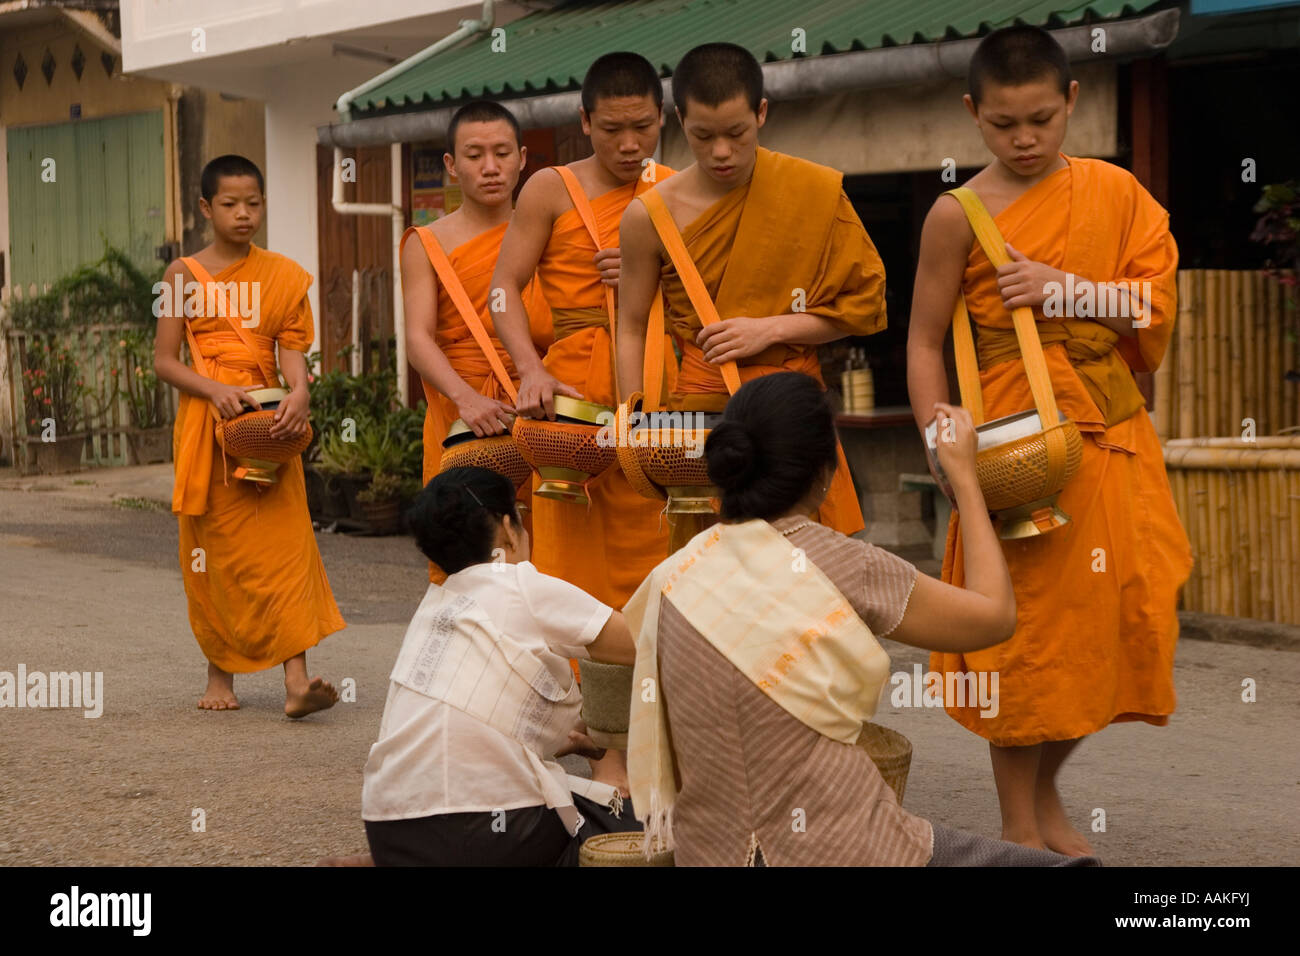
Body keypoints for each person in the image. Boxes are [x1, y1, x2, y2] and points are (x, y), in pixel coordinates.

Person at [905, 25, 1192, 855]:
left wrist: (1068, 289)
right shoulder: (955, 215)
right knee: (1024, 635)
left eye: (1041, 119)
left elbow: (1151, 310)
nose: (1025, 140)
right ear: (973, 114)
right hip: (1014, 445)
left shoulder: (1115, 193)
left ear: (1073, 101)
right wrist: (938, 437)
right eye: (1003, 125)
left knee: (1137, 611)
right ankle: (1019, 824)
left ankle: (1049, 795)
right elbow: (924, 341)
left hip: (1110, 434)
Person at [624, 373, 1096, 866]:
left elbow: (607, 641)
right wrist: (966, 481)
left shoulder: (676, 576)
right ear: (826, 473)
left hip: (708, 855)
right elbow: (995, 616)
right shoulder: (847, 564)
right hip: (845, 848)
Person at [617, 42, 887, 534]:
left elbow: (865, 307)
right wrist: (633, 422)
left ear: (761, 113)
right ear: (680, 120)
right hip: (702, 416)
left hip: (791, 408)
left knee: (812, 572)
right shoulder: (648, 217)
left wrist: (772, 329)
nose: (721, 151)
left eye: (736, 133)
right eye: (703, 136)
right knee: (712, 572)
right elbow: (630, 325)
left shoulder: (811, 190)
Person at [361, 467, 642, 866]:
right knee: (645, 834)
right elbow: (644, 641)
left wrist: (573, 742)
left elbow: (473, 732)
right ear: (509, 528)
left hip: (390, 829)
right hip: (488, 834)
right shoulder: (520, 585)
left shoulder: (434, 609)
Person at [154, 154, 343, 716]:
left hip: (268, 424)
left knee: (287, 547)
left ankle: (297, 682)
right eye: (231, 205)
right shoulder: (180, 276)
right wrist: (211, 389)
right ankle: (221, 675)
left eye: (254, 204)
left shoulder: (283, 273)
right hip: (208, 429)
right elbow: (165, 360)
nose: (244, 214)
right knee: (215, 554)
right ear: (206, 208)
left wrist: (301, 391)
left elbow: (291, 349)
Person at [489, 51, 676, 610]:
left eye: (642, 127)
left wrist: (655, 275)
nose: (629, 145)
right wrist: (530, 369)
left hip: (655, 384)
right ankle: (571, 683)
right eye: (612, 129)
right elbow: (502, 289)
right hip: (572, 401)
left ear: (662, 118)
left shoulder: (676, 190)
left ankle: (654, 681)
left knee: (656, 535)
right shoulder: (550, 188)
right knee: (572, 556)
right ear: (585, 121)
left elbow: (714, 296)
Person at [400, 99, 552, 582]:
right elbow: (418, 339)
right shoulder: (427, 243)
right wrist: (467, 400)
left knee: (542, 566)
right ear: (451, 165)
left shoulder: (551, 235)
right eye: (474, 155)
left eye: (502, 153)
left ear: (523, 158)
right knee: (468, 563)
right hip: (463, 421)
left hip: (538, 415)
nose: (491, 168)